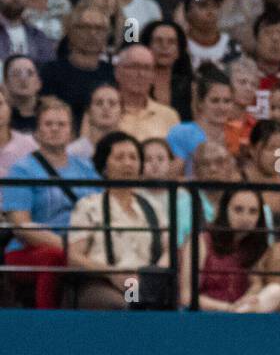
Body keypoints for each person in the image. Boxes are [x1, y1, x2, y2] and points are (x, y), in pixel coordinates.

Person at [2, 97, 98, 308]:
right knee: (55, 257)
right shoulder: (22, 170)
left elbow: (103, 211)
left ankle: (134, 310)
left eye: (61, 124)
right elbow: (22, 227)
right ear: (37, 132)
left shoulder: (86, 168)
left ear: (71, 132)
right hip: (33, 250)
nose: (55, 129)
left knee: (127, 263)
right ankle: (48, 324)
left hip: (85, 248)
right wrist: (70, 249)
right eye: (48, 124)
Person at [67, 131, 169, 309]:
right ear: (104, 166)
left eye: (133, 157)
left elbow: (170, 249)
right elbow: (74, 257)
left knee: (169, 302)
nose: (128, 163)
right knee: (126, 305)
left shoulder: (152, 206)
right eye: (120, 157)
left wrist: (151, 275)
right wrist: (112, 273)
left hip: (144, 282)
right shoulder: (89, 205)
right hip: (103, 280)